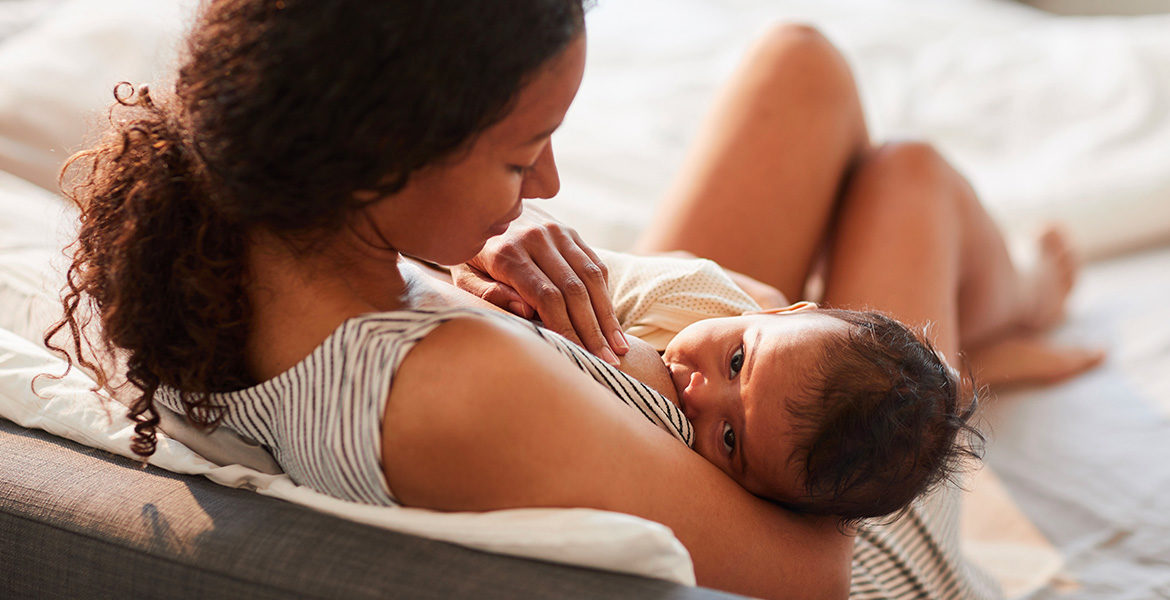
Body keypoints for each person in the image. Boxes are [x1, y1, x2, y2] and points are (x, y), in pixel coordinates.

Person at [46, 2, 1100, 599]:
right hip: (835, 497)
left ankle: (972, 328)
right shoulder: (459, 392)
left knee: (803, 63)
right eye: (518, 157)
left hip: (677, 394)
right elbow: (814, 568)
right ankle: (1012, 311)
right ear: (383, 159)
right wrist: (738, 324)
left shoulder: (237, 226)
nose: (548, 183)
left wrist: (479, 267)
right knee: (908, 176)